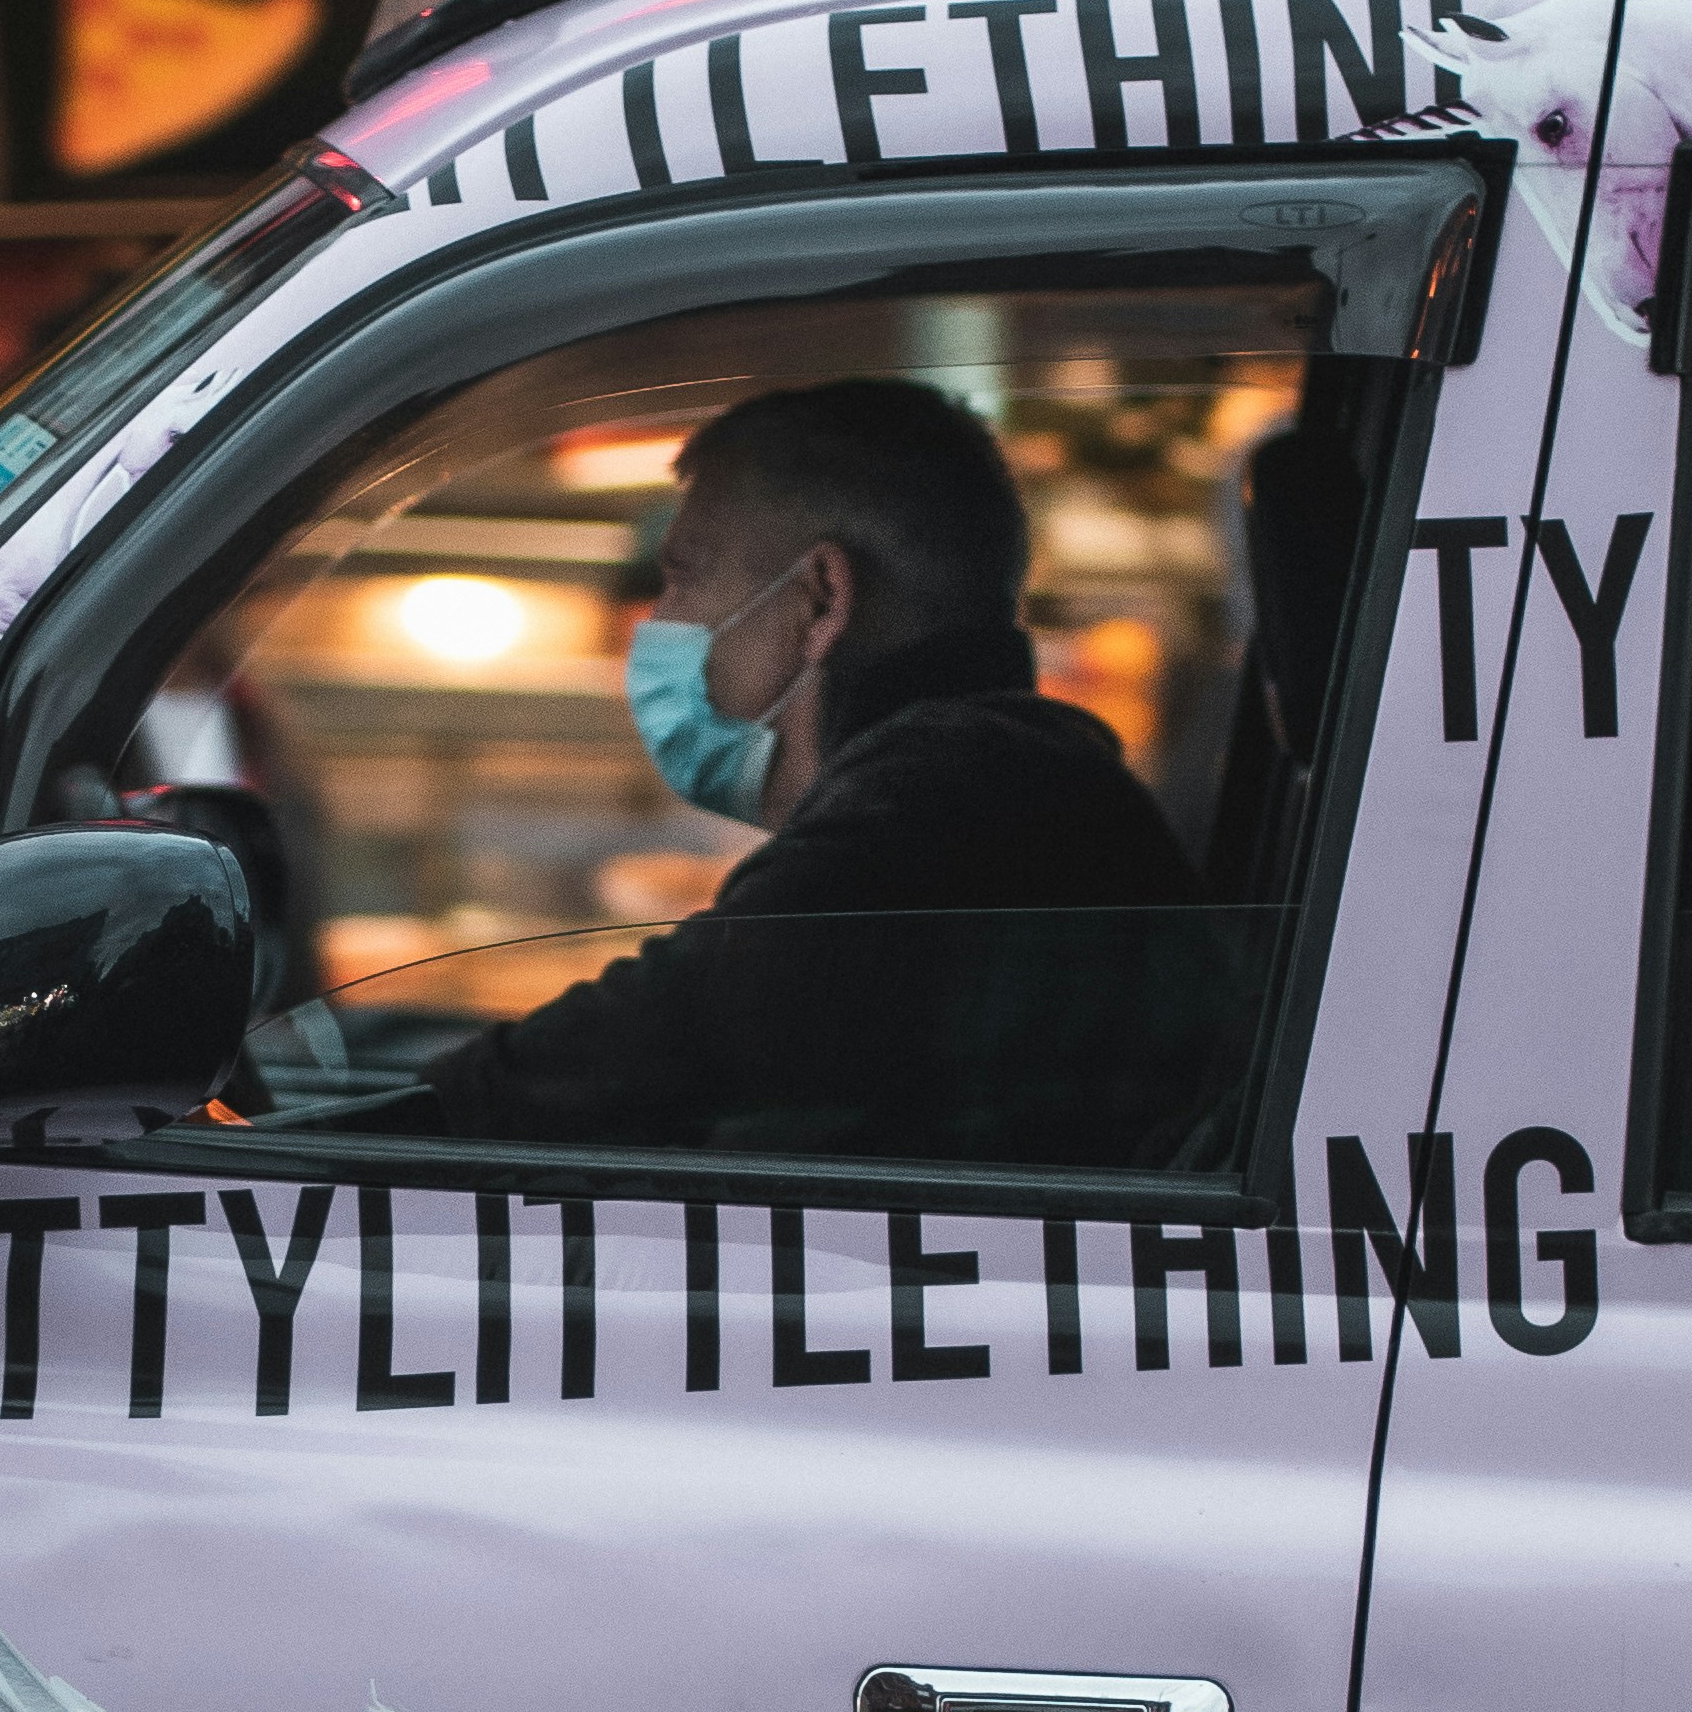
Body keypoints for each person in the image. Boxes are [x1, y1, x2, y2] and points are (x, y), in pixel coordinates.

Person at [407, 376, 1209, 1159]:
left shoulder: (947, 803)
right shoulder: (1009, 767)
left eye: (683, 577)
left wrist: (347, 1142)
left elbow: (634, 1050)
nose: (660, 627)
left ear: (822, 599)